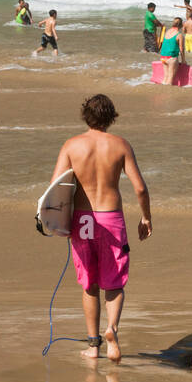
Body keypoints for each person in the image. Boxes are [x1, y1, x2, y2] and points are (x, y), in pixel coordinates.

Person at [49, 93, 152, 363]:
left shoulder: (72, 146)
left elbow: (55, 189)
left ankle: (93, 346)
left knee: (89, 284)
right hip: (111, 219)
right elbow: (140, 187)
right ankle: (112, 330)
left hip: (82, 222)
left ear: (86, 115)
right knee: (114, 282)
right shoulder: (120, 145)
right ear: (111, 117)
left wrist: (57, 224)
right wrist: (146, 217)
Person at [158, 17, 182, 84]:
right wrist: (183, 60)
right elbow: (181, 49)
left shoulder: (167, 31)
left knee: (166, 76)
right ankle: (168, 91)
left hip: (163, 57)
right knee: (170, 76)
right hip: (171, 58)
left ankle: (162, 89)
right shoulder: (179, 34)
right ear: (181, 25)